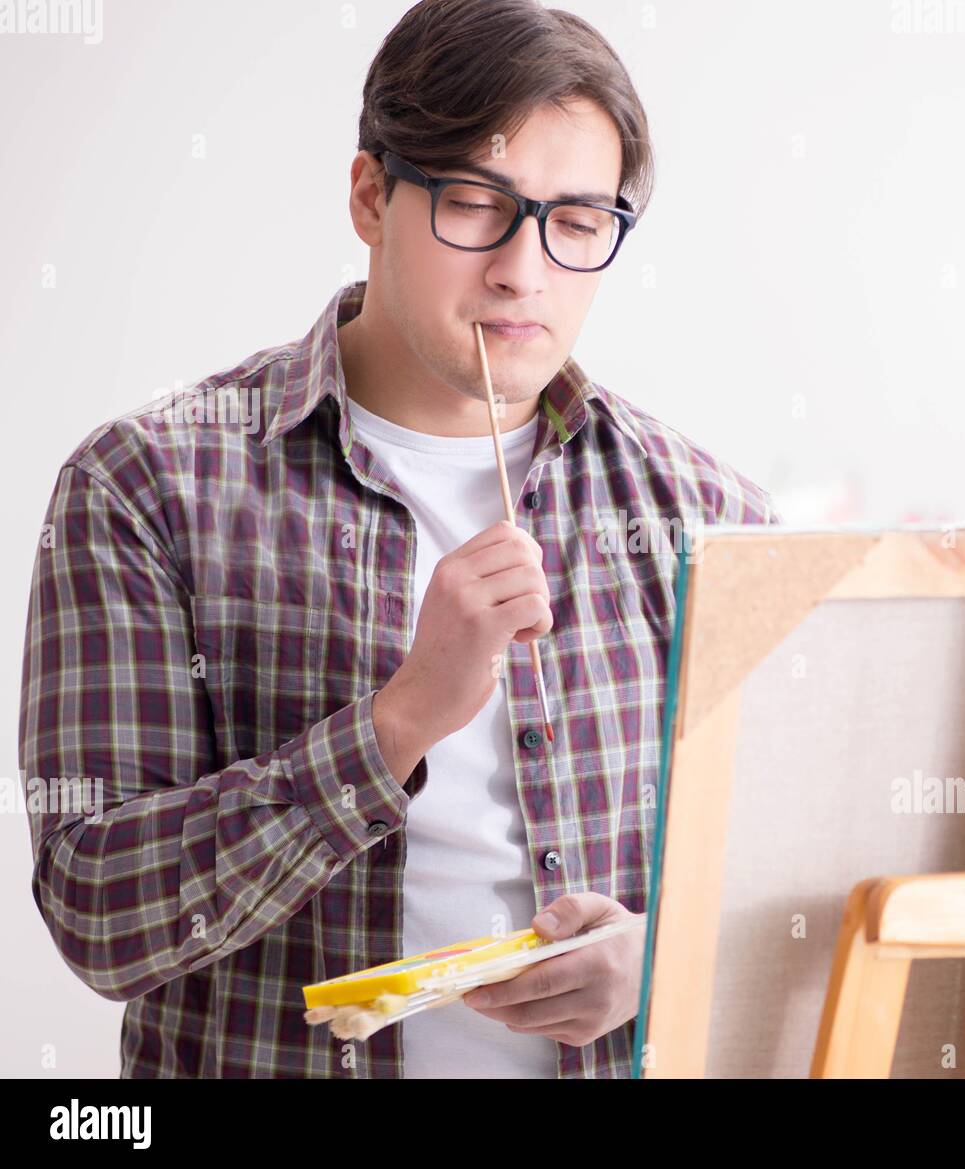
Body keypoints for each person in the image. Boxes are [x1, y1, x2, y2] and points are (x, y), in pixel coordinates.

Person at [19, 0, 774, 1079]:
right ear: (371, 195)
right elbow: (102, 916)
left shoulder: (706, 515)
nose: (525, 270)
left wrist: (661, 956)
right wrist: (401, 717)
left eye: (576, 220)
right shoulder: (145, 486)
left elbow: (799, 893)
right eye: (476, 204)